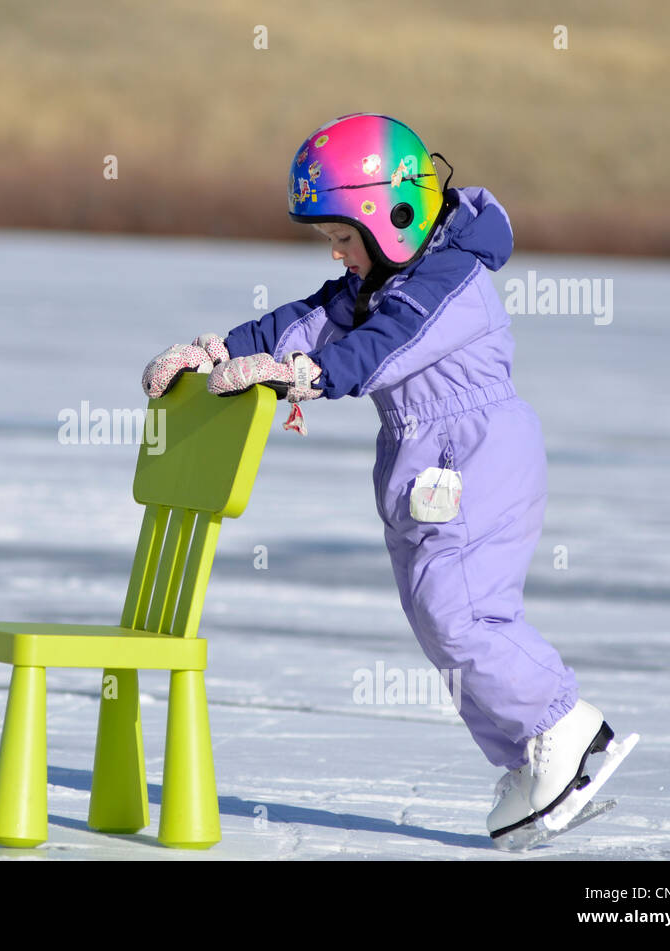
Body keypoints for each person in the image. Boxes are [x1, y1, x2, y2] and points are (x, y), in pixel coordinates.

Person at [140, 113, 636, 848]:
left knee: (460, 613)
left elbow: (383, 343)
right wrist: (219, 351)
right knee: (439, 616)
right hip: (425, 464)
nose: (338, 256)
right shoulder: (378, 279)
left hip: (476, 455)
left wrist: (308, 376)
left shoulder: (447, 281)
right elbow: (310, 321)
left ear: (391, 216)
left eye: (344, 238)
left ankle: (566, 725)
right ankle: (534, 755)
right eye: (331, 242)